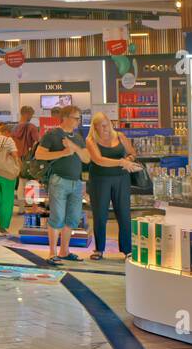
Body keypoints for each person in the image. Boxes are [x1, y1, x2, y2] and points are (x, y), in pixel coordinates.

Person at [36, 105, 90, 263]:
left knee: (72, 218)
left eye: (79, 118)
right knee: (57, 216)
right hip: (58, 180)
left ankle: (64, 251)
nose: (78, 121)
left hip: (76, 182)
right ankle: (52, 253)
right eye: (76, 117)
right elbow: (39, 154)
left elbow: (86, 158)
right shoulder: (52, 134)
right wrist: (63, 152)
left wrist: (73, 147)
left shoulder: (78, 136)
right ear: (65, 117)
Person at [86, 111, 142, 260]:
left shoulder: (120, 136)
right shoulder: (91, 140)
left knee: (124, 213)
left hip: (121, 178)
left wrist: (128, 160)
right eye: (102, 126)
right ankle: (99, 249)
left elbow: (132, 153)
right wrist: (121, 162)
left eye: (107, 125)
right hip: (100, 179)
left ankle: (127, 249)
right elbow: (99, 160)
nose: (105, 128)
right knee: (100, 214)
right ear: (95, 127)